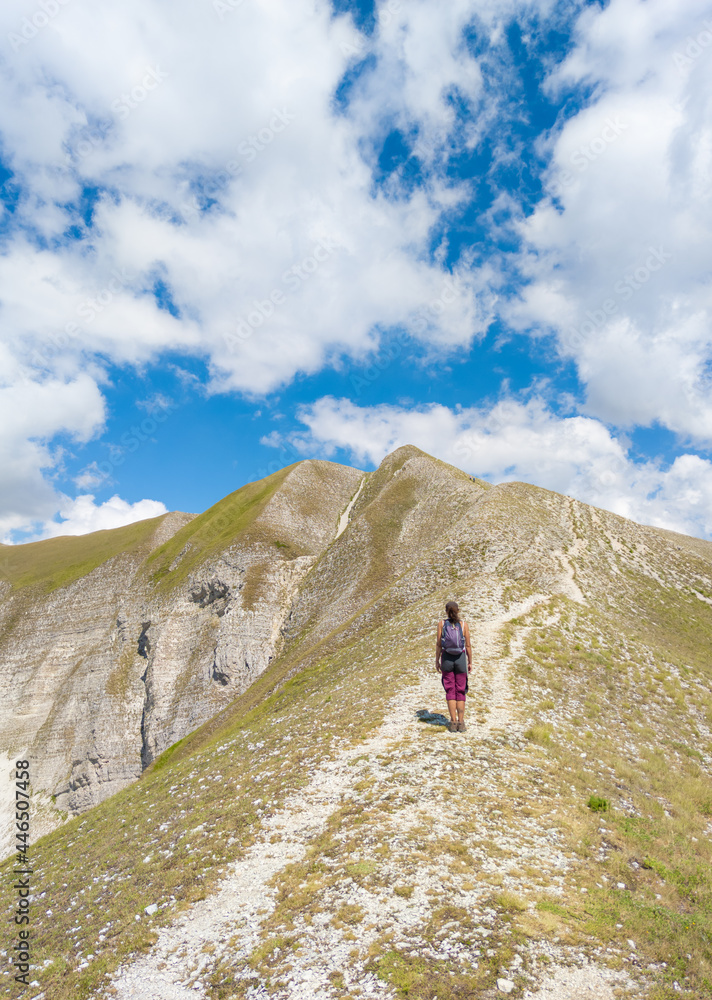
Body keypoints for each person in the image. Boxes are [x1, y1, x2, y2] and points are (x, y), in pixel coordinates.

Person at [435, 601, 472, 732]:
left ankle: (453, 722)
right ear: (458, 611)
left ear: (446, 611)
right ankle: (461, 723)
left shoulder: (441, 624)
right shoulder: (463, 625)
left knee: (450, 690)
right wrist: (470, 661)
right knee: (460, 691)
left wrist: (437, 660)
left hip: (446, 659)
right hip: (460, 659)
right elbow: (468, 645)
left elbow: (439, 644)